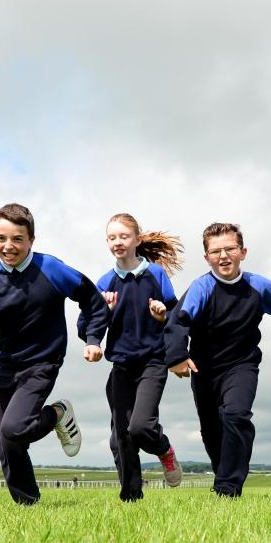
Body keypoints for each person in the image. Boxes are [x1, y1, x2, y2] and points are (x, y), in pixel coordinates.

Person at [0, 203, 110, 505]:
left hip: (43, 361)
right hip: (5, 365)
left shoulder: (51, 269)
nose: (8, 246)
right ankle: (28, 505)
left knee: (14, 428)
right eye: (1, 238)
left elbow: (92, 299)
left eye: (17, 238)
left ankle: (58, 413)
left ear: (31, 239)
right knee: (8, 442)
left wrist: (92, 337)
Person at [164, 223, 271, 497]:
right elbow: (178, 321)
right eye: (215, 251)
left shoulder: (257, 286)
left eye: (230, 249)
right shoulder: (202, 288)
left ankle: (227, 488)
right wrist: (177, 356)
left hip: (242, 365)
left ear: (242, 252)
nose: (223, 256)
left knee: (236, 415)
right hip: (204, 369)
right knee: (211, 429)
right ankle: (223, 474)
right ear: (207, 258)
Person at [78, 213, 184, 502]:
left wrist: (163, 315)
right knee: (120, 436)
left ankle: (163, 449)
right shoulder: (104, 281)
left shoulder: (156, 275)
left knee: (140, 428)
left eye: (123, 236)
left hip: (153, 361)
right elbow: (85, 325)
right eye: (111, 237)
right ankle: (132, 499)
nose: (117, 242)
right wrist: (94, 337)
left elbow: (176, 317)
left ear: (137, 240)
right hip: (121, 365)